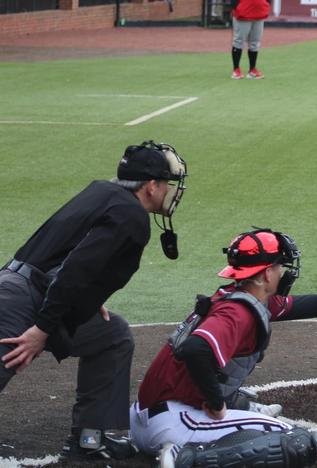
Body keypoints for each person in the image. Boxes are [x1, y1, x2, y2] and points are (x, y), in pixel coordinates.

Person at [133, 228, 317, 466]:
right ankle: (185, 458)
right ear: (266, 273)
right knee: (297, 442)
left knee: (242, 403)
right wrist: (216, 403)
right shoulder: (237, 313)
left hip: (149, 415)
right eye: (279, 266)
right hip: (173, 421)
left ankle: (210, 425)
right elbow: (195, 349)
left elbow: (307, 305)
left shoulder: (239, 297)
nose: (283, 272)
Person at [0, 141, 187, 461]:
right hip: (24, 301)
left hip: (35, 289)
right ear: (151, 186)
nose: (169, 191)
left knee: (112, 336)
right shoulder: (131, 216)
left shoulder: (103, 192)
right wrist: (41, 330)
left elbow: (73, 253)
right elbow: (75, 270)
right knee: (10, 359)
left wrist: (87, 299)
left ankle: (88, 439)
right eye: (167, 184)